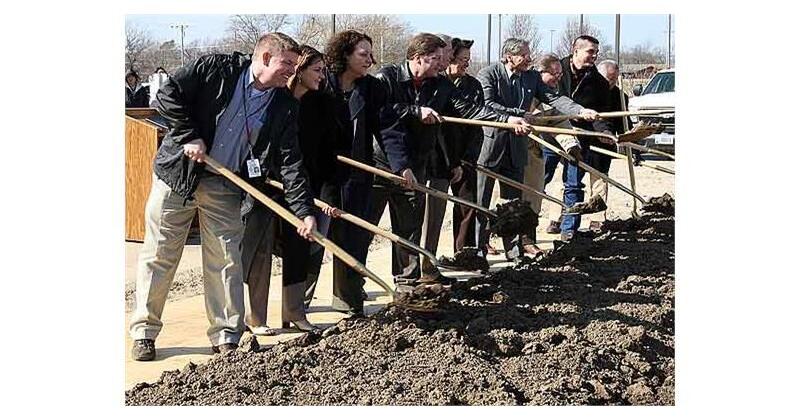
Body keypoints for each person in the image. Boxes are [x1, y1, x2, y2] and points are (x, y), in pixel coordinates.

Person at [129, 32, 316, 361]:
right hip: (179, 174)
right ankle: (144, 331)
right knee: (160, 254)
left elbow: (290, 160)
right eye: (288, 63)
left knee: (226, 258)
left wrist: (304, 211)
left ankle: (227, 334)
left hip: (224, 183)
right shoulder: (216, 69)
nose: (292, 70)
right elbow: (167, 94)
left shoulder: (284, 104)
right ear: (266, 57)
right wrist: (189, 135)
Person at [369, 32, 531, 286]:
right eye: (436, 58)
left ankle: (408, 281)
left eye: (443, 58)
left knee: (409, 226)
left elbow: (469, 109)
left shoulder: (439, 85)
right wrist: (414, 111)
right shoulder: (387, 78)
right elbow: (378, 112)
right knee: (365, 228)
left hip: (416, 163)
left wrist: (507, 120)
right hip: (380, 163)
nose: (441, 63)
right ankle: (349, 291)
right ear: (418, 57)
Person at [475, 38, 596, 260]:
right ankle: (478, 249)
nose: (529, 59)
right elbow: (487, 104)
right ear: (508, 56)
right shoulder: (489, 74)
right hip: (491, 147)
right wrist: (516, 115)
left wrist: (579, 110)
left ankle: (514, 252)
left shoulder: (530, 77)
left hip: (517, 149)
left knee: (513, 205)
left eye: (529, 55)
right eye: (524, 55)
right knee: (481, 201)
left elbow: (554, 98)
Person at [240, 45, 331, 336]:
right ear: (299, 71)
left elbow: (304, 155)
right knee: (259, 248)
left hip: (299, 187)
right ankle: (255, 317)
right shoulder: (274, 99)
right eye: (316, 70)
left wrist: (315, 197)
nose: (322, 76)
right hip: (263, 183)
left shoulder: (316, 105)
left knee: (300, 247)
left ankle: (294, 312)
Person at [313, 30, 403, 317]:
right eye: (363, 54)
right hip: (320, 174)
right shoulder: (320, 84)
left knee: (353, 239)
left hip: (357, 174)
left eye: (370, 54)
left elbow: (387, 128)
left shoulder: (372, 89)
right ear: (344, 55)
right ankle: (298, 307)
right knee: (313, 240)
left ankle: (349, 301)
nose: (370, 60)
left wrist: (401, 166)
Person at [553, 35, 615, 240]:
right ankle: (526, 233)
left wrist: (604, 132)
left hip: (580, 139)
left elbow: (600, 113)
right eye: (590, 51)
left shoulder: (597, 81)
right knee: (539, 179)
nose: (594, 56)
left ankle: (569, 230)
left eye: (596, 52)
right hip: (552, 132)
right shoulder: (557, 70)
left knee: (574, 183)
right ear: (575, 50)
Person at [521, 53, 584, 249]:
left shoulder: (549, 95)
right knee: (509, 198)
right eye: (554, 73)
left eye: (560, 73)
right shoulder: (522, 88)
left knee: (534, 194)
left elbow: (560, 121)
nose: (558, 78)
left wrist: (571, 146)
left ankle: (527, 240)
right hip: (510, 148)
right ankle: (488, 237)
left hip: (533, 151)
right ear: (540, 72)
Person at [588, 59, 633, 231]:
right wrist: (602, 131)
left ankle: (597, 219)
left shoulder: (620, 96)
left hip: (604, 146)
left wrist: (631, 139)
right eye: (608, 78)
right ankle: (558, 218)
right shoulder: (587, 91)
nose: (611, 82)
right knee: (570, 183)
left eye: (614, 79)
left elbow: (624, 123)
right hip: (583, 140)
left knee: (600, 179)